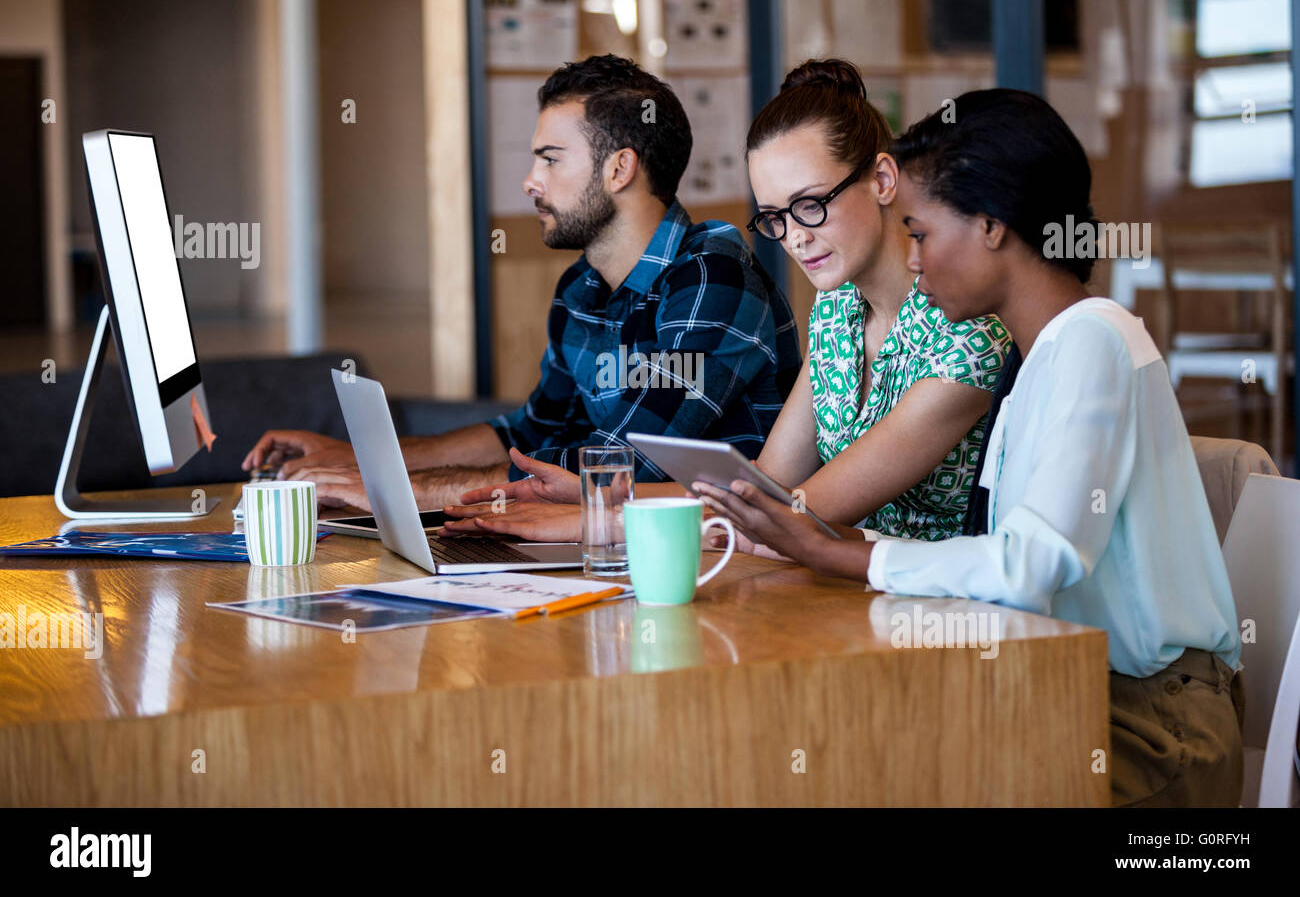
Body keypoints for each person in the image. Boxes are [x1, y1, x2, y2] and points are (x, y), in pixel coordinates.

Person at [693, 88, 1245, 807]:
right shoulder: (1040, 358)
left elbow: (1033, 561)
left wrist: (842, 554)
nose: (913, 261)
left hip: (1150, 720)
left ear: (990, 226)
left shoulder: (1096, 338)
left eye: (920, 233)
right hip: (1062, 685)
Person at [441, 60, 1011, 545]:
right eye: (775, 217)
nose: (794, 237)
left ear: (883, 179)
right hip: (842, 591)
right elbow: (766, 485)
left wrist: (596, 520)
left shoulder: (963, 332)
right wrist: (608, 493)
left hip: (941, 614)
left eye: (810, 205)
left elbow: (798, 512)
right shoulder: (836, 312)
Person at [241, 55, 801, 510]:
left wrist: (398, 491)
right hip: (613, 556)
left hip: (725, 567)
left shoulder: (712, 275)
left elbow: (617, 465)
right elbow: (530, 432)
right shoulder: (581, 290)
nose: (530, 181)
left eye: (551, 160)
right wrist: (362, 459)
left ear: (619, 169)